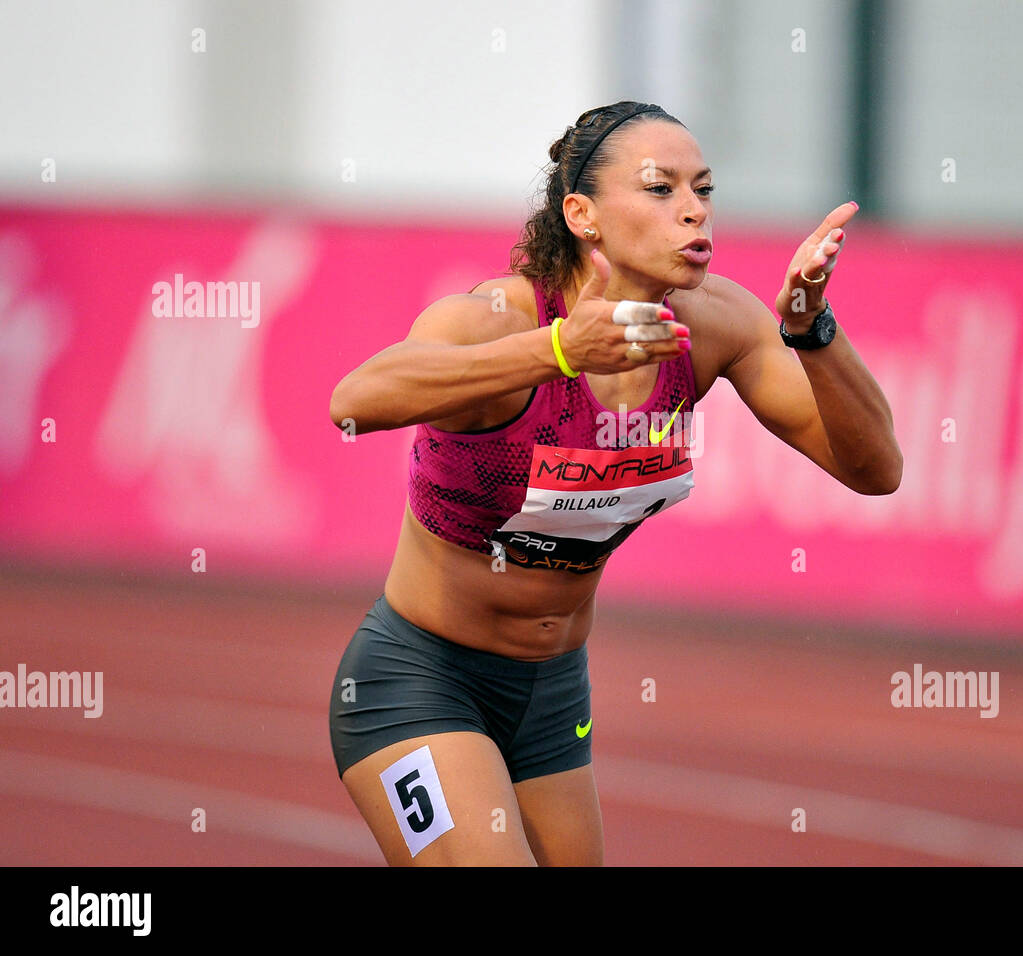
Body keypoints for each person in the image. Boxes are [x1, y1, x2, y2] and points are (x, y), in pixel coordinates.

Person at [327, 100, 902, 866]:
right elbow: (353, 402)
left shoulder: (715, 324)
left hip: (554, 696)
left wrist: (811, 328)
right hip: (420, 679)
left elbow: (875, 469)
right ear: (583, 215)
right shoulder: (500, 320)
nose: (694, 212)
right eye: (662, 190)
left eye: (704, 190)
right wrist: (559, 349)